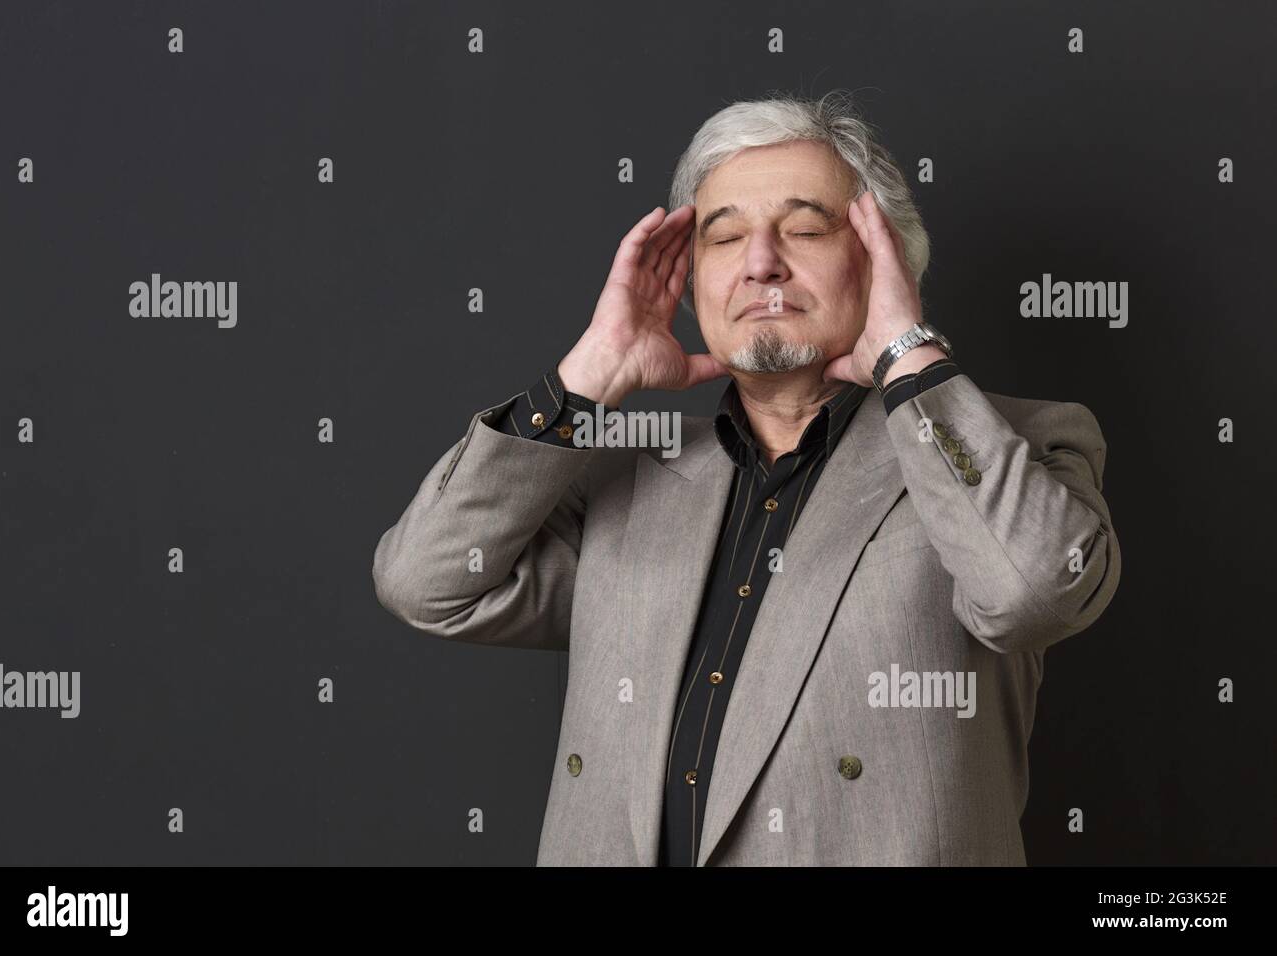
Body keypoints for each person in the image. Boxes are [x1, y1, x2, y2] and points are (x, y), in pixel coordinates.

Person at [372, 92, 1121, 866]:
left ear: (885, 256)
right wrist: (586, 379)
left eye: (804, 228)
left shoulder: (1018, 444)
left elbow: (1032, 594)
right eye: (723, 236)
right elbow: (426, 583)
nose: (761, 260)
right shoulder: (627, 475)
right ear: (692, 282)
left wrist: (907, 354)